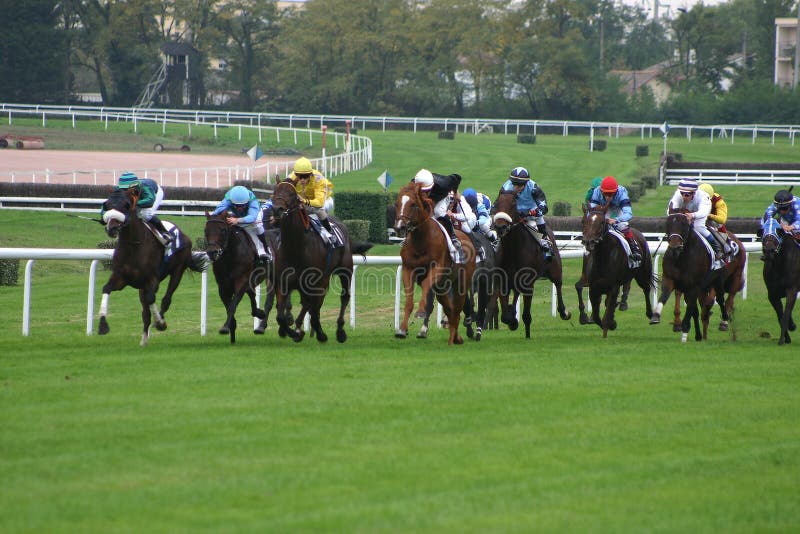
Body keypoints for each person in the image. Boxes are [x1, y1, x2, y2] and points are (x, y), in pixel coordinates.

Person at [500, 166, 554, 260]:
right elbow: (499, 203)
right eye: (514, 185)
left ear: (526, 183)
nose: (516, 188)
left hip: (531, 213)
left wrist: (532, 213)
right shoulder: (506, 187)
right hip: (514, 212)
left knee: (539, 219)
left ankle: (546, 243)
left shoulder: (534, 188)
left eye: (519, 185)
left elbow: (544, 207)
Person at [667, 178, 722, 268]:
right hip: (685, 212)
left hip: (699, 213)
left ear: (694, 192)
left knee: (698, 227)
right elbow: (671, 210)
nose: (684, 197)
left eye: (687, 194)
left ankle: (717, 250)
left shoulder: (703, 197)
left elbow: (703, 212)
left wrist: (692, 215)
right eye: (682, 193)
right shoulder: (678, 194)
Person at [413, 168, 466, 263]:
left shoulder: (444, 184)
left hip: (441, 197)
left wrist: (455, 192)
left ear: (431, 186)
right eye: (421, 191)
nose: (424, 195)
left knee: (438, 212)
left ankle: (454, 239)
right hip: (431, 196)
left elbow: (457, 177)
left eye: (426, 191)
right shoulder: (413, 183)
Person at [211, 185, 272, 264]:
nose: (239, 208)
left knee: (256, 226)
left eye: (242, 205)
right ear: (231, 201)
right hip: (239, 215)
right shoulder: (228, 198)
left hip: (254, 216)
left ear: (247, 201)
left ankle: (265, 248)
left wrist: (238, 220)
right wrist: (213, 217)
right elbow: (219, 209)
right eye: (236, 206)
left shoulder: (252, 200)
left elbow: (252, 217)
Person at [587, 176, 642, 262]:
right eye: (605, 194)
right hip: (603, 208)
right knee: (594, 224)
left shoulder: (622, 194)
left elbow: (628, 213)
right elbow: (592, 211)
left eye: (611, 194)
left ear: (616, 192)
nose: (608, 197)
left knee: (623, 225)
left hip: (618, 207)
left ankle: (634, 249)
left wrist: (616, 220)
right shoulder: (597, 192)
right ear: (601, 191)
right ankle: (589, 242)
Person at [114, 172, 172, 244]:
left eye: (127, 189)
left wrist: (134, 204)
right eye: (124, 189)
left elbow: (150, 200)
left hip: (154, 194)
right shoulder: (118, 189)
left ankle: (165, 233)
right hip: (139, 196)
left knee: (146, 214)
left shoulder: (145, 186)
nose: (125, 191)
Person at [289, 157, 337, 244]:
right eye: (299, 176)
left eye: (305, 176)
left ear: (311, 174)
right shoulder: (292, 178)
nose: (302, 179)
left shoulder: (319, 180)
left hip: (324, 201)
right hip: (304, 201)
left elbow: (319, 203)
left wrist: (304, 201)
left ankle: (330, 233)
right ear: (296, 174)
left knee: (318, 210)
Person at [698, 183, 732, 258]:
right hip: (698, 221)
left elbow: (722, 219)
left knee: (710, 227)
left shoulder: (718, 201)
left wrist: (709, 215)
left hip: (714, 224)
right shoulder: (694, 198)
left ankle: (724, 249)